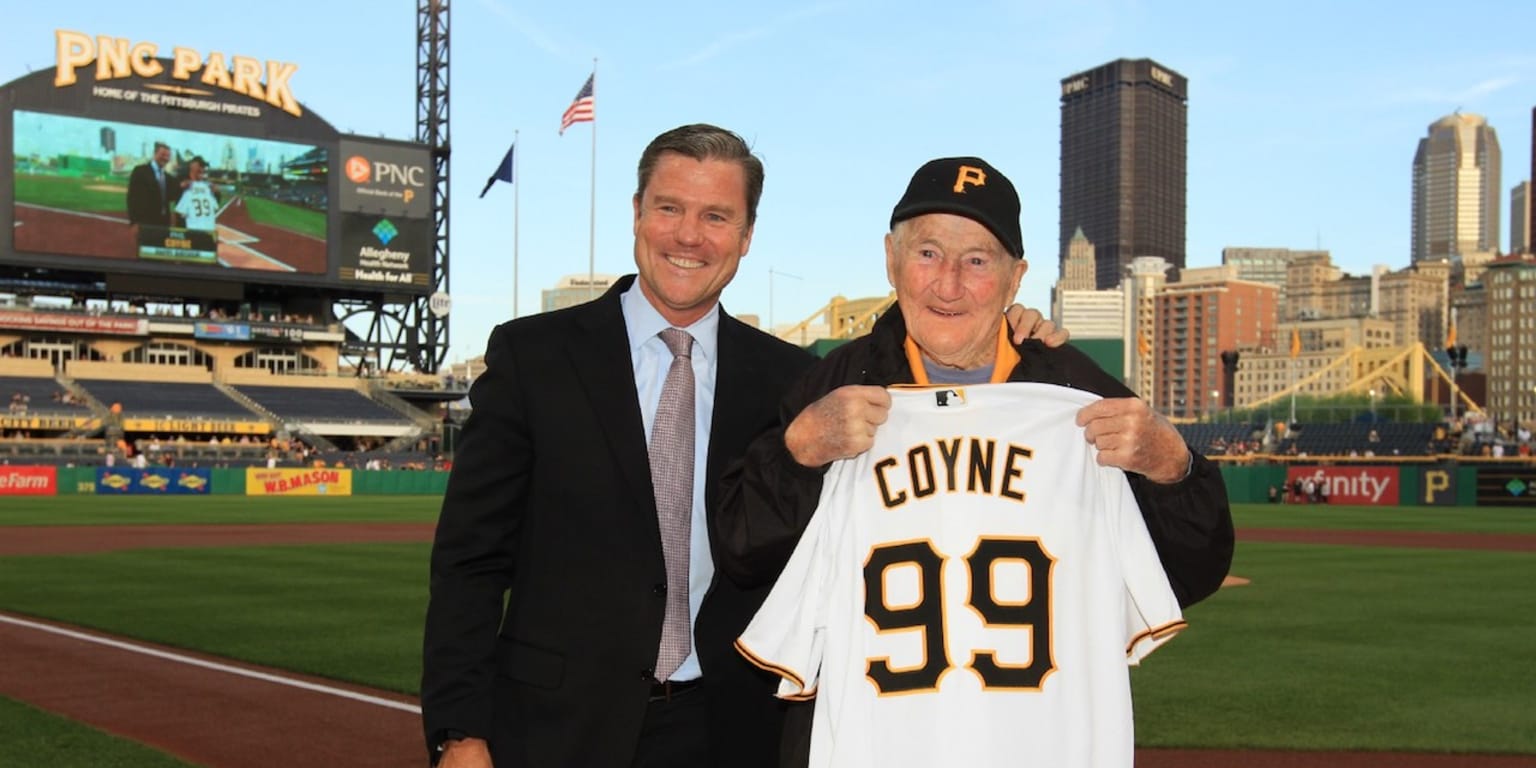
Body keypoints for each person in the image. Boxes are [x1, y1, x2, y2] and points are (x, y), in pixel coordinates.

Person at [421, 128, 1064, 768]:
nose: (689, 236)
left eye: (716, 217)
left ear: (746, 237)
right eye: (670, 207)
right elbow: (470, 561)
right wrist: (460, 731)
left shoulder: (790, 379)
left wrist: (1003, 330)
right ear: (637, 213)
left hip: (732, 727)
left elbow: (919, 360)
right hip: (555, 726)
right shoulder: (534, 357)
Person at [712, 156, 1233, 766]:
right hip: (877, 742)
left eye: (978, 261)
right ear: (891, 259)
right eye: (927, 253)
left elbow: (1190, 570)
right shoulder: (830, 387)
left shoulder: (1076, 395)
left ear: (1016, 279)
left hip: (1039, 744)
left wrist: (1176, 473)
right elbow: (742, 551)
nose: (949, 283)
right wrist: (797, 455)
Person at [127, 141, 177, 228]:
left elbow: (171, 197)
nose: (165, 158)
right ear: (155, 154)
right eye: (162, 154)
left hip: (164, 223)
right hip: (145, 223)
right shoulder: (140, 171)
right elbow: (132, 198)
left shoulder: (168, 177)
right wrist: (134, 222)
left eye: (168, 156)